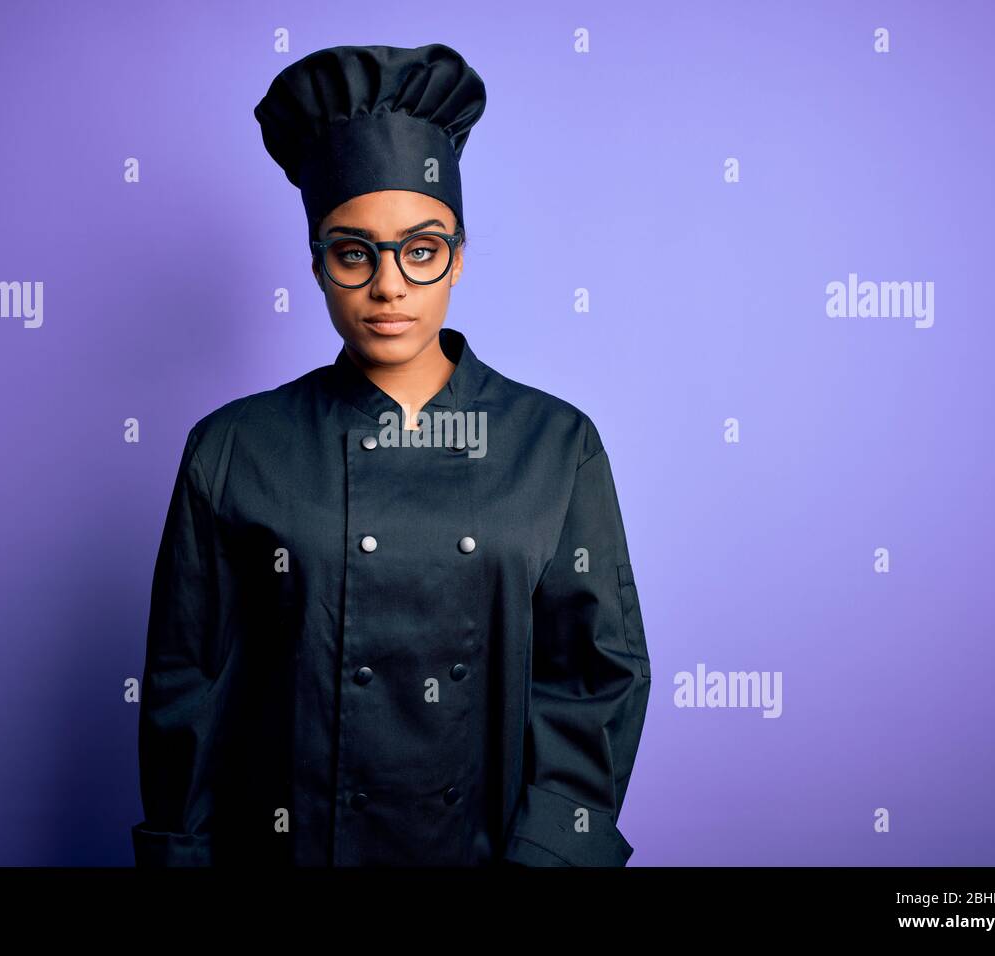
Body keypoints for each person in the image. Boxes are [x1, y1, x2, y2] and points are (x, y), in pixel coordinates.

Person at [131, 42, 651, 867]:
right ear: (316, 264)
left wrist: (552, 857)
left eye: (421, 248)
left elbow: (595, 680)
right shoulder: (233, 448)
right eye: (353, 252)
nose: (390, 286)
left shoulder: (556, 445)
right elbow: (186, 694)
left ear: (458, 257)